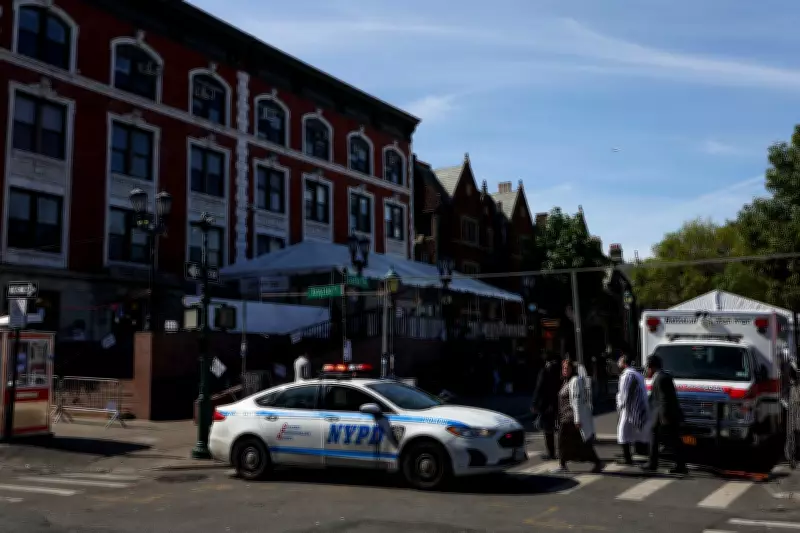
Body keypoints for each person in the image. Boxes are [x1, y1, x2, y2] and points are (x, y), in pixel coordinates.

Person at [554, 359, 604, 473]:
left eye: (567, 368)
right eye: (563, 368)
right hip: (565, 417)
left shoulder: (575, 381)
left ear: (572, 369)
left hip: (570, 418)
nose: (564, 370)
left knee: (562, 441)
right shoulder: (566, 381)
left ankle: (563, 465)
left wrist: (577, 419)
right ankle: (597, 462)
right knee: (580, 443)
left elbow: (576, 401)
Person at [644, 354, 687, 474]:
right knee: (657, 437)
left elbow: (664, 400)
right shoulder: (662, 376)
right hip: (661, 415)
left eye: (648, 367)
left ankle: (680, 466)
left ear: (652, 367)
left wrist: (665, 418)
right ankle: (653, 463)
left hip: (666, 416)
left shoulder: (661, 378)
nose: (647, 370)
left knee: (674, 441)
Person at [616, 353, 650, 465]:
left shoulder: (627, 376)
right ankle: (632, 456)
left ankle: (627, 458)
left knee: (623, 432)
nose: (618, 363)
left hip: (629, 408)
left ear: (624, 363)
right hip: (638, 407)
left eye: (620, 361)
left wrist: (620, 407)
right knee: (634, 433)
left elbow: (625, 395)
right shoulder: (637, 374)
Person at [531, 352, 561, 460]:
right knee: (560, 428)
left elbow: (539, 388)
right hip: (558, 402)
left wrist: (534, 403)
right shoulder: (559, 370)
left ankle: (551, 453)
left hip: (546, 404)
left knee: (548, 430)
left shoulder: (544, 371)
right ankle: (564, 451)